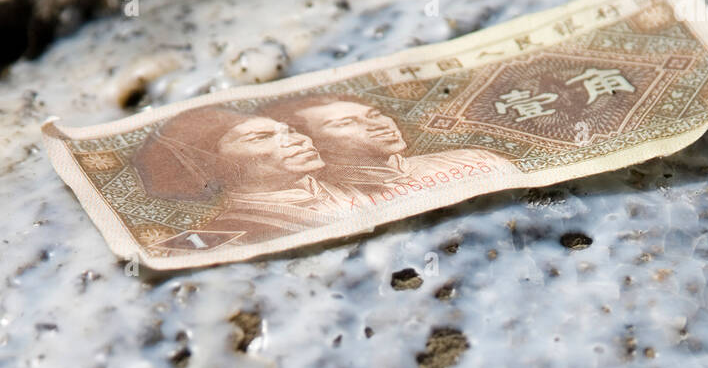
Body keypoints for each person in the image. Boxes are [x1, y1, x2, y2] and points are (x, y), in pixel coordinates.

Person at [132, 106, 352, 241]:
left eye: (290, 131)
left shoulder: (361, 185)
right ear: (214, 162)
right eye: (261, 137)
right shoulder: (228, 235)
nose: (298, 140)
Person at [265, 95, 509, 198]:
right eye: (346, 123)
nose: (378, 125)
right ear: (310, 142)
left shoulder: (473, 159)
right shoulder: (323, 203)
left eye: (374, 114)